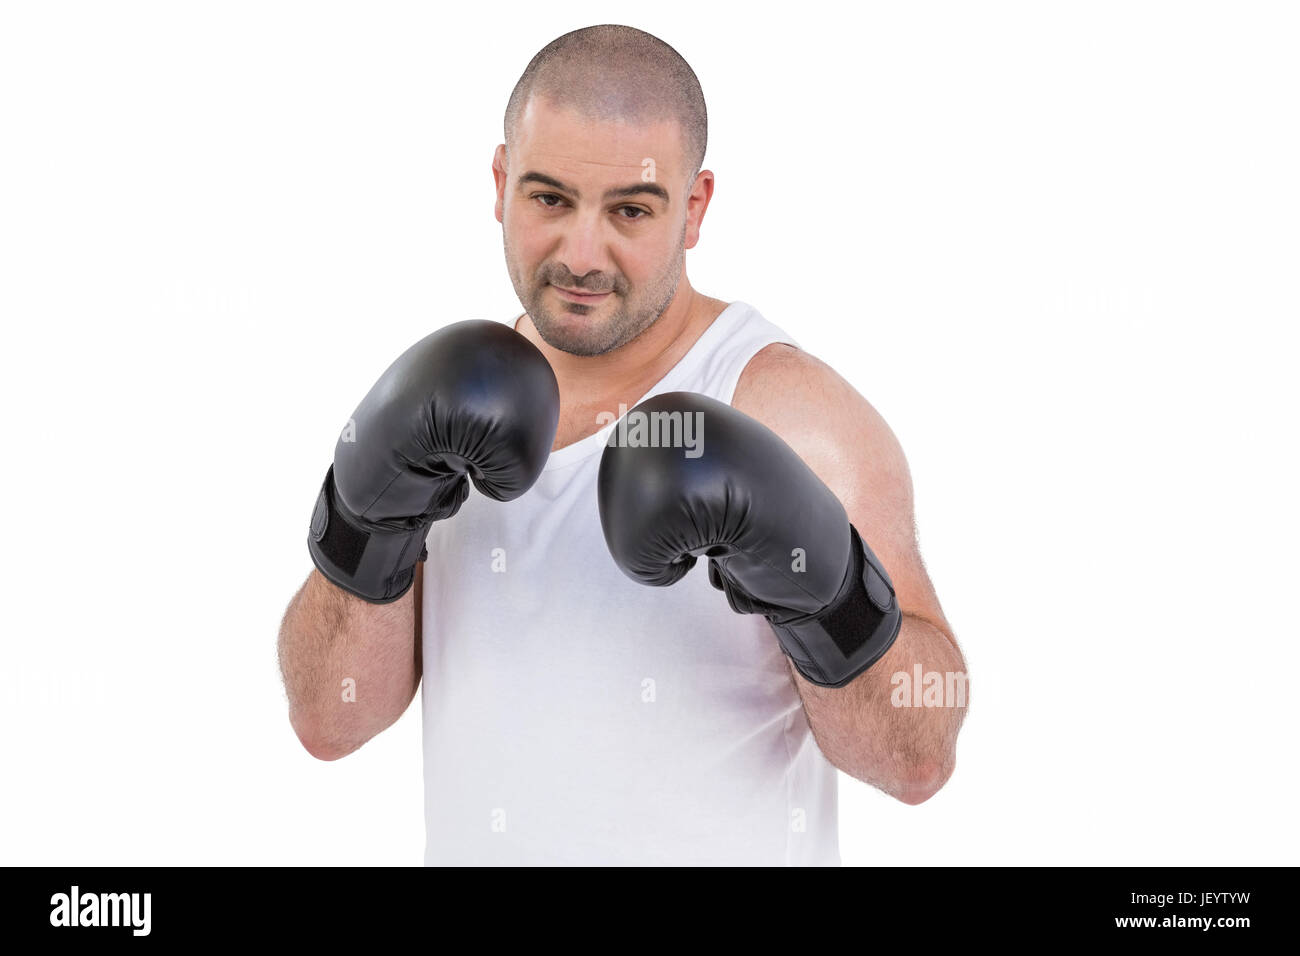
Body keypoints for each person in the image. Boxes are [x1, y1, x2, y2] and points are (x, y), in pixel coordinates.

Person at [279, 24, 968, 866]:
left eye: (631, 211)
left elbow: (918, 758)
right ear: (500, 183)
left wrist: (818, 586)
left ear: (695, 208)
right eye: (549, 199)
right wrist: (366, 516)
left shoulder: (790, 411)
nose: (581, 254)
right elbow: (328, 722)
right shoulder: (452, 409)